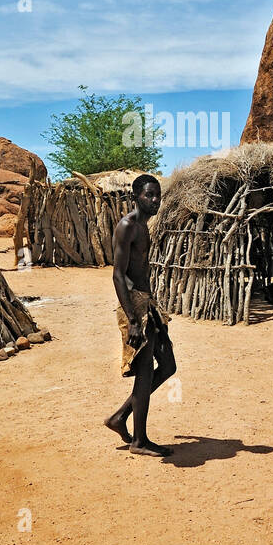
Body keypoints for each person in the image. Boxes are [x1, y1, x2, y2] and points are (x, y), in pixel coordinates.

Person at [104, 174, 176, 456]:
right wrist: (134, 320)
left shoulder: (145, 227)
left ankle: (120, 417)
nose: (155, 200)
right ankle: (139, 441)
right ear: (136, 196)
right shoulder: (128, 226)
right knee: (144, 371)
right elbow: (118, 275)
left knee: (168, 365)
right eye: (149, 195)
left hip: (148, 302)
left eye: (157, 195)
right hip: (134, 306)